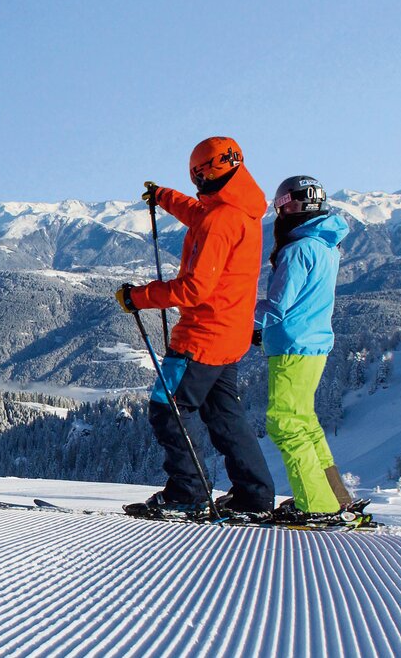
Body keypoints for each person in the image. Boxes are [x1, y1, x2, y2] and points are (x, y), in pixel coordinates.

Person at [115, 135, 276, 519]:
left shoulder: (221, 219)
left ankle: (187, 491)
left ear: (205, 172)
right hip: (230, 334)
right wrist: (164, 197)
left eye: (196, 177)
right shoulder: (239, 207)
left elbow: (194, 288)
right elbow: (199, 214)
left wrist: (139, 297)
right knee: (224, 416)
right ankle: (254, 495)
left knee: (166, 408)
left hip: (202, 335)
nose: (196, 184)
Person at [253, 175, 364, 526]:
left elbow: (278, 305)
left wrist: (240, 315)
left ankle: (316, 503)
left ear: (293, 206)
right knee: (305, 421)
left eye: (281, 206)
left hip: (292, 346)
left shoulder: (298, 249)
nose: (279, 213)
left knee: (284, 423)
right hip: (314, 344)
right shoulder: (325, 245)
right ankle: (334, 495)